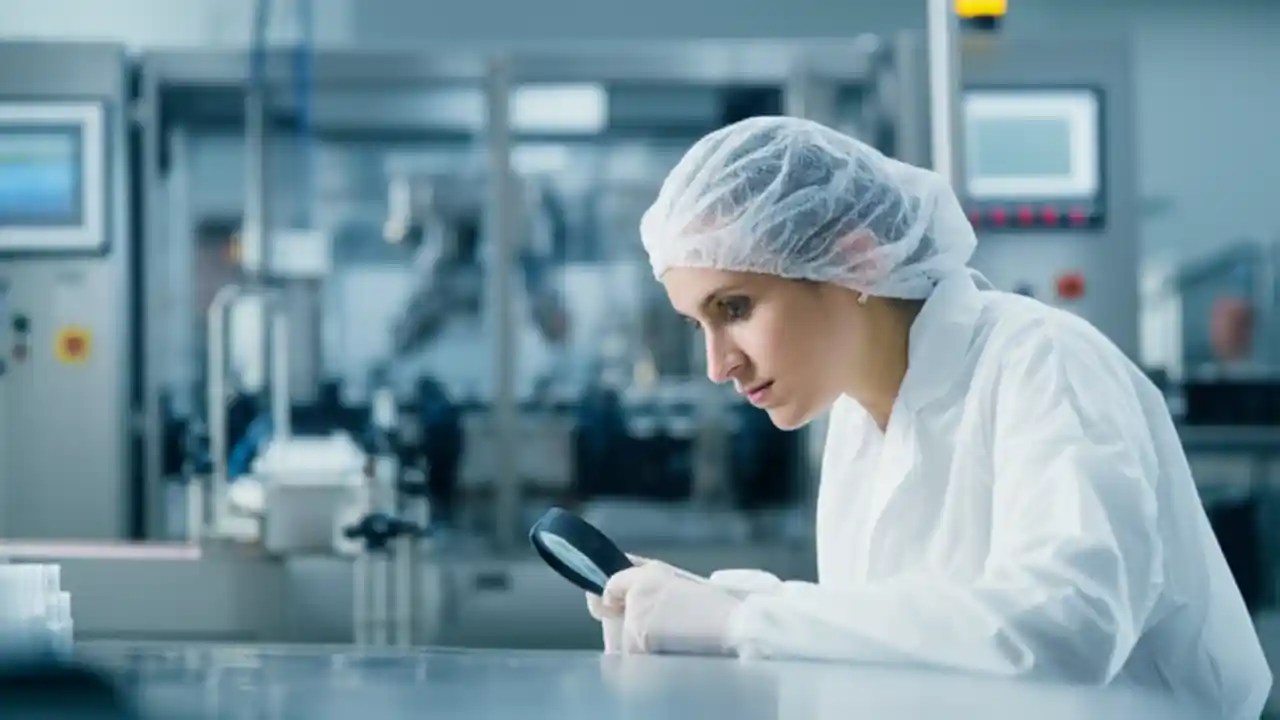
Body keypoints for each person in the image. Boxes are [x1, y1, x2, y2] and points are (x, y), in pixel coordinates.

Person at [584, 117, 1271, 719]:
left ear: (855, 261)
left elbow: (1064, 630)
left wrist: (747, 622)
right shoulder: (858, 420)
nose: (717, 365)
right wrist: (717, 603)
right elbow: (904, 635)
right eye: (697, 324)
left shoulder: (1043, 362)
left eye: (734, 308)